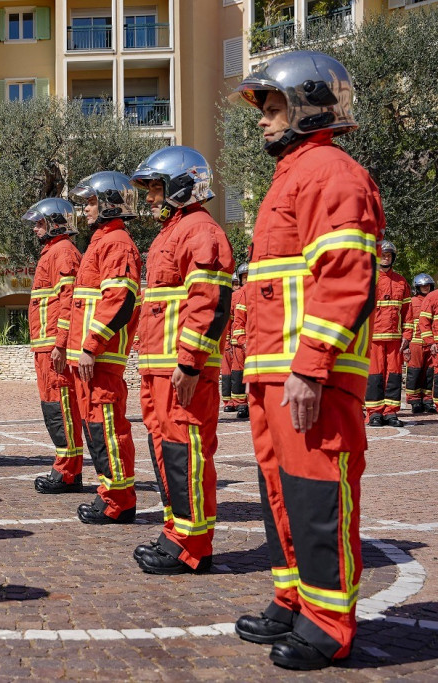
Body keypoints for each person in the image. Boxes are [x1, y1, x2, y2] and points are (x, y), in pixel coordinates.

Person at [233, 50, 385, 670]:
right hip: (276, 370)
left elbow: (347, 277)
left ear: (307, 107)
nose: (262, 119)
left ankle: (327, 624)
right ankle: (292, 600)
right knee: (282, 491)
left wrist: (310, 365)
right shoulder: (293, 176)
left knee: (318, 493)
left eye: (272, 107)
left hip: (307, 374)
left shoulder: (330, 172)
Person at [131, 146, 234, 574]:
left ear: (180, 186)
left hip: (181, 370)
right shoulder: (173, 232)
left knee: (186, 452)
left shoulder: (200, 231)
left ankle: (192, 547)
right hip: (160, 368)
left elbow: (209, 301)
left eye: (156, 188)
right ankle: (176, 532)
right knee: (167, 452)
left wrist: (190, 363)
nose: (150, 197)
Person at [65, 172, 142, 523]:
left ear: (110, 203)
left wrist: (91, 346)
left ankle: (119, 502)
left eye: (92, 202)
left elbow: (119, 300)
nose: (86, 209)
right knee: (97, 428)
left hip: (100, 357)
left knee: (108, 428)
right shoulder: (101, 242)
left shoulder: (117, 243)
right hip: (90, 357)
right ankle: (109, 493)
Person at [20, 198, 84, 494]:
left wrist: (61, 343)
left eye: (40, 223)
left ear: (55, 224)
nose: (35, 229)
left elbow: (69, 299)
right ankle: (66, 467)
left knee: (61, 408)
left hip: (54, 348)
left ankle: (67, 472)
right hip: (45, 347)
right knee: (53, 408)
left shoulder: (62, 252)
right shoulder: (54, 251)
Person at [365, 241, 411, 427]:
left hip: (395, 339)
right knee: (375, 375)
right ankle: (374, 413)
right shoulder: (369, 279)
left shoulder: (401, 281)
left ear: (393, 258)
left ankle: (390, 412)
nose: (386, 258)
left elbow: (407, 312)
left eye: (389, 255)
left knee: (394, 375)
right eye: (383, 255)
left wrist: (407, 336)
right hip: (374, 338)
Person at [406, 273, 436, 414]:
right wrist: (406, 344)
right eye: (423, 286)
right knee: (414, 372)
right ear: (417, 287)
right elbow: (407, 321)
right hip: (416, 342)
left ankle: (427, 400)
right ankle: (414, 400)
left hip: (431, 343)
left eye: (428, 285)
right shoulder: (412, 302)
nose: (425, 287)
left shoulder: (433, 300)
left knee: (429, 373)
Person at [230, 263, 250, 420]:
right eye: (245, 277)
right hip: (241, 342)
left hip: (257, 342)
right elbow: (237, 320)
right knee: (238, 373)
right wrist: (241, 340)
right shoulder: (241, 294)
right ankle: (241, 404)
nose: (247, 280)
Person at [221, 273, 238, 413]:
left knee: (237, 372)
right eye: (234, 284)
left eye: (238, 283)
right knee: (227, 372)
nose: (236, 287)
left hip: (238, 341)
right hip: (229, 341)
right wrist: (226, 341)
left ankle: (238, 401)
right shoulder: (228, 299)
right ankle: (228, 401)